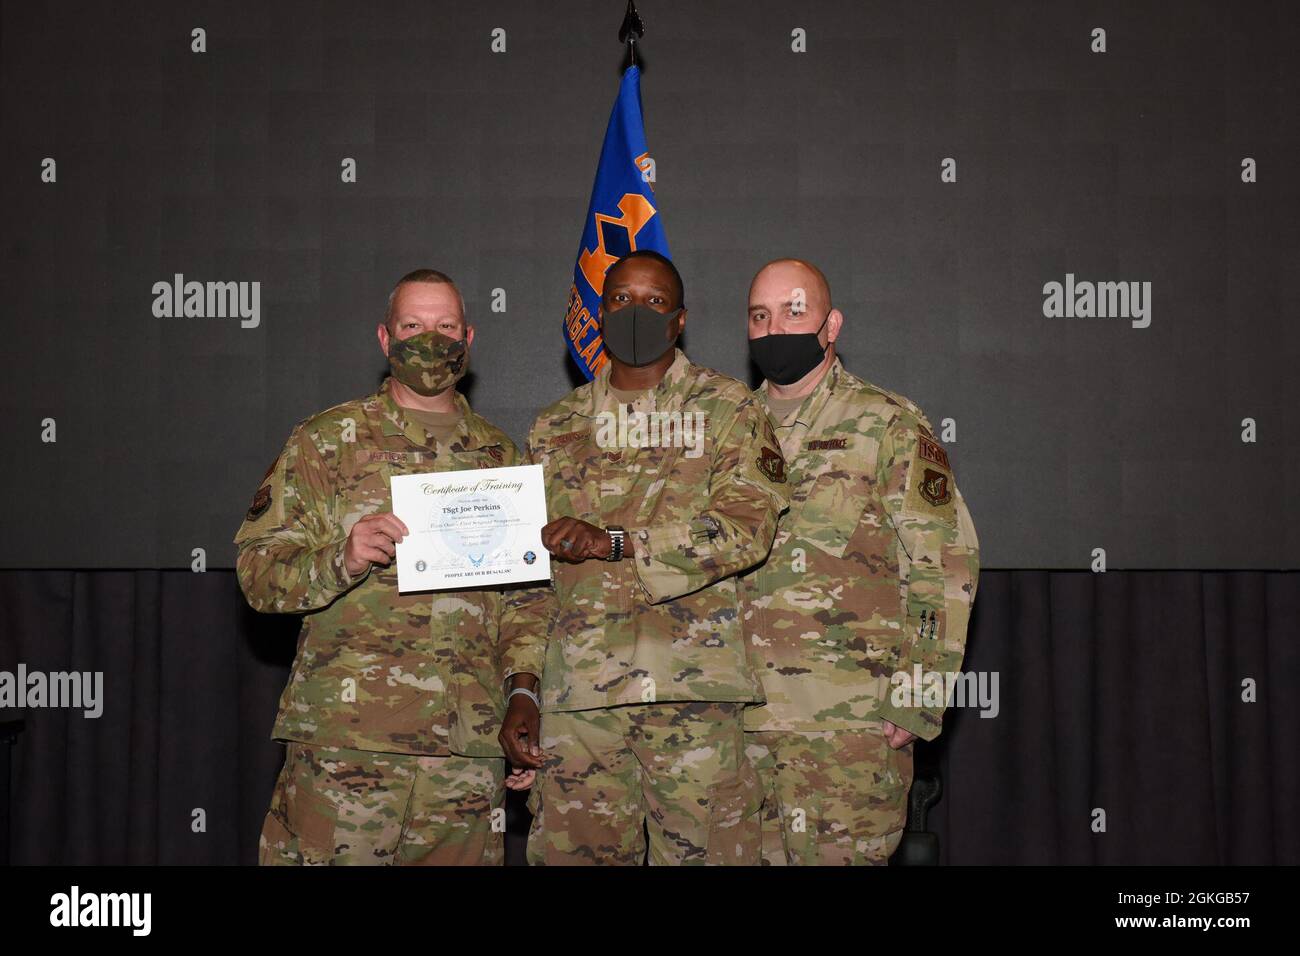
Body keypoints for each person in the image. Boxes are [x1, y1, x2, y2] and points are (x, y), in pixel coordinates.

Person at [497, 250, 790, 865]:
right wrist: (522, 689)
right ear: (598, 312)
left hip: (692, 698)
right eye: (621, 299)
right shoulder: (554, 427)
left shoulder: (729, 408)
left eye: (654, 302)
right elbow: (528, 580)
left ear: (679, 320)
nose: (636, 312)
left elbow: (746, 529)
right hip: (579, 704)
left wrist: (616, 543)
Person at [234, 269, 522, 865]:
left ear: (468, 337)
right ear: (386, 340)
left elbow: (526, 600)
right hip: (349, 747)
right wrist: (339, 560)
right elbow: (259, 573)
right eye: (413, 326)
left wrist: (526, 702)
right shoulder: (327, 441)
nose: (430, 341)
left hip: (466, 752)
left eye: (445, 326)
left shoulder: (502, 455)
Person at [739, 258, 980, 865]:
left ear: (831, 324)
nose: (777, 330)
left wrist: (920, 689)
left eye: (795, 312)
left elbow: (945, 561)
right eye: (760, 317)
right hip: (732, 725)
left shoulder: (886, 422)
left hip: (847, 728)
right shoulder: (727, 429)